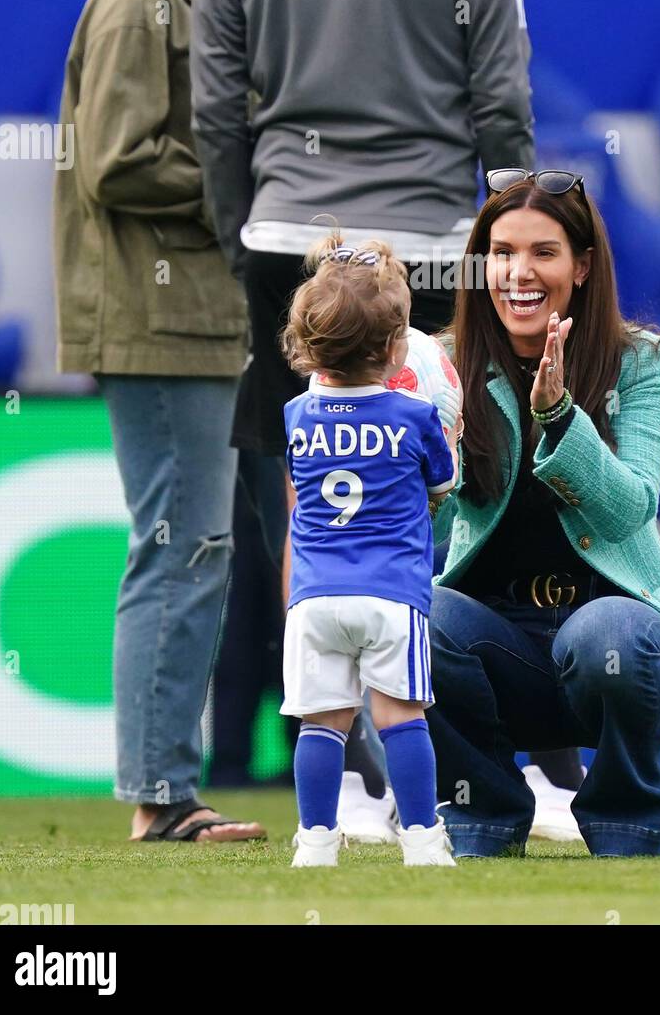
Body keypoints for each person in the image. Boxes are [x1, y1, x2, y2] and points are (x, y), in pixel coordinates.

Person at [190, 0, 534, 837]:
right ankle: (465, 768)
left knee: (306, 512)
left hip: (285, 239)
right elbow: (502, 91)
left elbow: (214, 103)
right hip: (433, 249)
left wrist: (251, 228)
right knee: (458, 503)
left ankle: (337, 786)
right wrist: (516, 246)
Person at [53, 0, 265, 844]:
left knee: (190, 546)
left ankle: (161, 788)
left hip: (184, 312)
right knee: (182, 546)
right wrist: (242, 180)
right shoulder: (142, 3)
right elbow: (119, 161)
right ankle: (159, 793)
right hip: (161, 315)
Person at [426, 169, 660, 859]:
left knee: (606, 632)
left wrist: (559, 419)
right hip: (499, 647)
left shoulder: (644, 362)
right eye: (501, 253)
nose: (517, 273)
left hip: (616, 648)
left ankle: (626, 818)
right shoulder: (442, 365)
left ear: (582, 266)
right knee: (419, 617)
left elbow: (627, 510)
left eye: (542, 253)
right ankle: (484, 814)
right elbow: (437, 537)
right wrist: (431, 471)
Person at [279, 233, 460, 867]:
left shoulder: (295, 416)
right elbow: (443, 484)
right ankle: (422, 840)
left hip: (314, 597)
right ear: (394, 347)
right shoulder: (414, 414)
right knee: (401, 718)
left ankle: (316, 842)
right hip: (390, 592)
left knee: (321, 723)